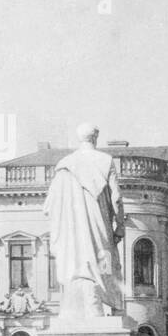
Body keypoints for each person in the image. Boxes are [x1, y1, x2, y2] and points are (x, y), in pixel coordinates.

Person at [44, 124, 125, 318]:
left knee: (77, 263)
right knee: (103, 263)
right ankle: (102, 307)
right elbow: (117, 198)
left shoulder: (64, 164)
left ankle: (80, 306)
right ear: (95, 138)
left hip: (73, 231)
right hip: (99, 225)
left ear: (79, 139)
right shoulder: (106, 160)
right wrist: (120, 226)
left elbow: (50, 205)